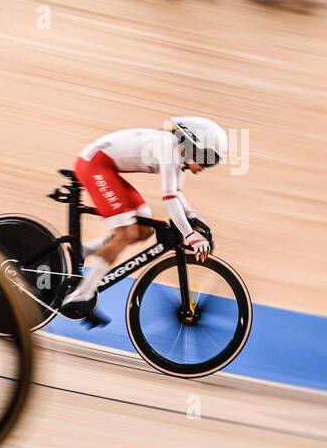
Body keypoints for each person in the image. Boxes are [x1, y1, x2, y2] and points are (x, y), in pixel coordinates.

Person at [61, 117, 228, 323]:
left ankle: (80, 251)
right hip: (94, 164)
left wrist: (193, 217)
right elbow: (169, 200)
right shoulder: (170, 150)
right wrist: (190, 235)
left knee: (144, 230)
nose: (203, 167)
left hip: (106, 167)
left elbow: (178, 194)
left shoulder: (179, 154)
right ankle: (81, 295)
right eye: (206, 159)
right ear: (193, 144)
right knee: (125, 234)